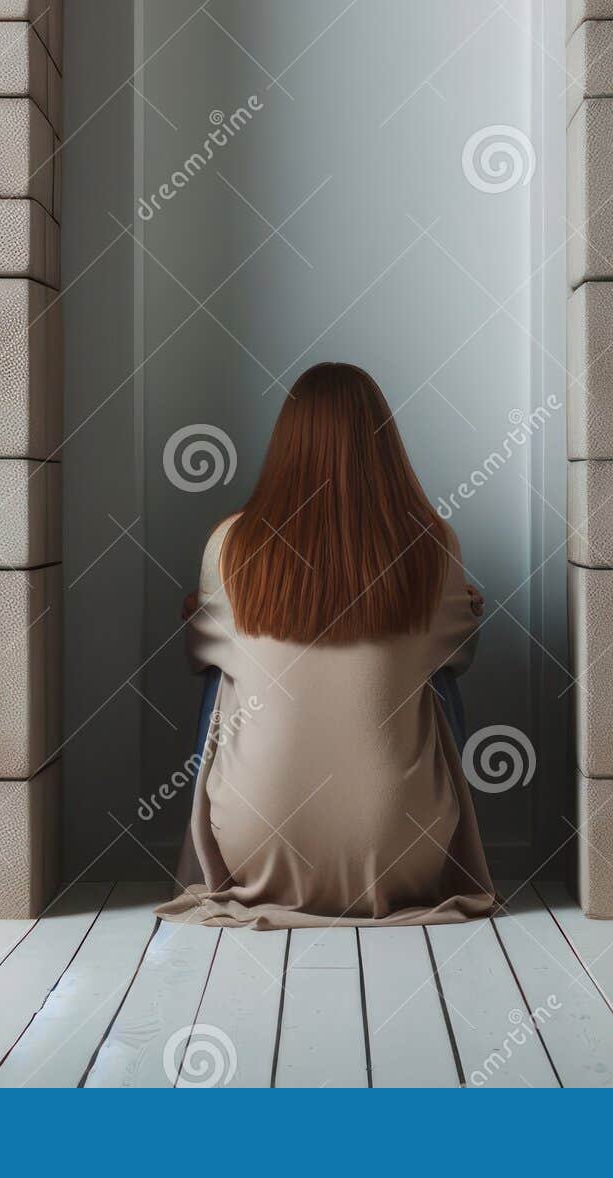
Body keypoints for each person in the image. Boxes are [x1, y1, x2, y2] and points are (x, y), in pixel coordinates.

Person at [157, 362, 496, 928]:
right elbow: (460, 656)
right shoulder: (433, 544)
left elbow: (197, 656)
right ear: (383, 444)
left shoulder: (231, 542)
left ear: (286, 444)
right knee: (434, 675)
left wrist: (207, 615)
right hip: (404, 855)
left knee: (223, 675)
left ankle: (203, 868)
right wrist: (459, 606)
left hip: (256, 853)